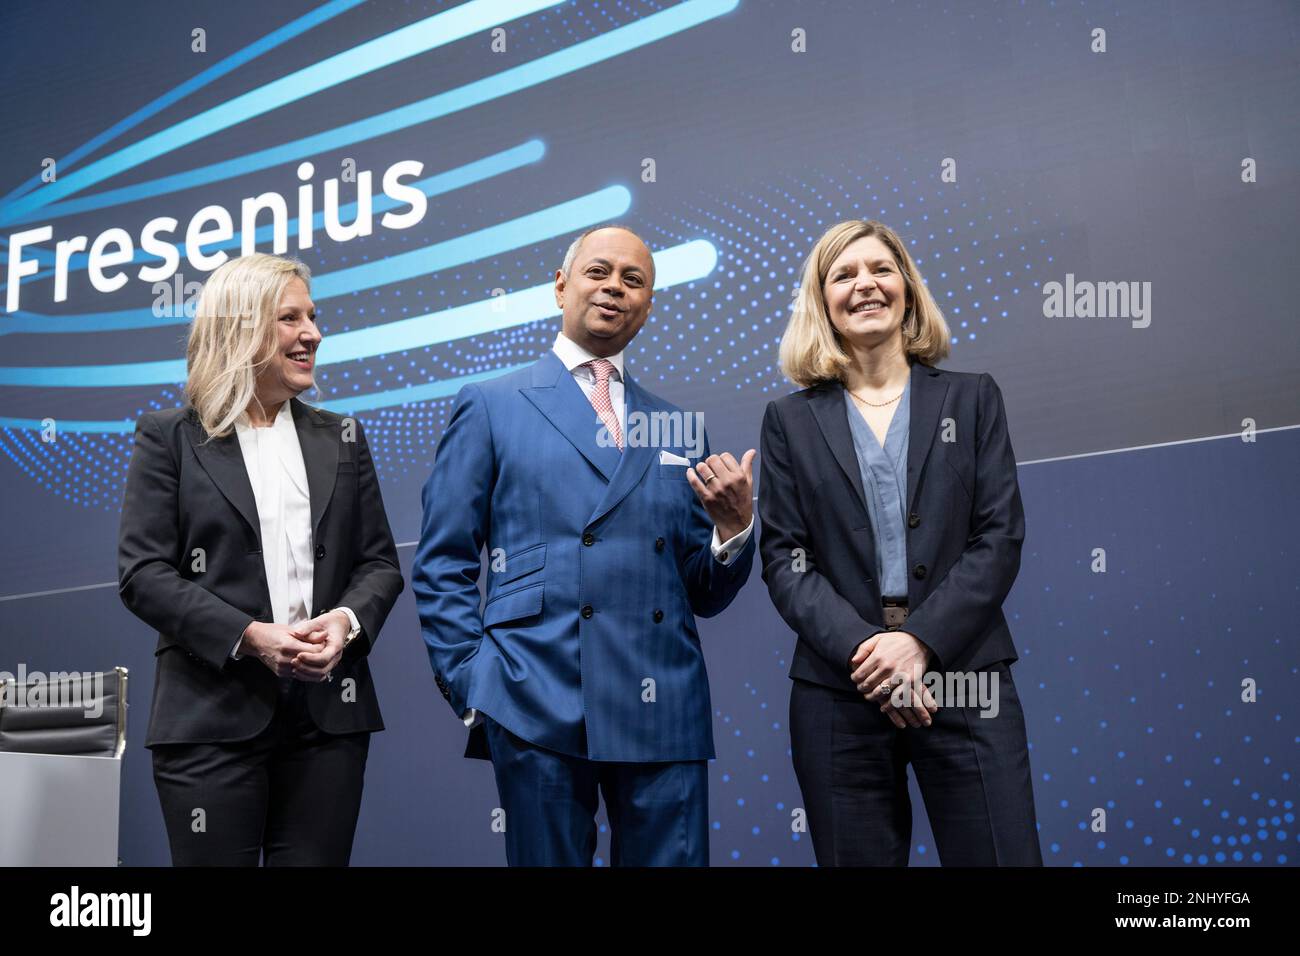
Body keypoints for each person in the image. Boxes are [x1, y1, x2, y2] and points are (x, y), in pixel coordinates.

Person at [414, 225, 756, 866]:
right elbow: (442, 562)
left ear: (648, 307)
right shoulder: (491, 404)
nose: (614, 289)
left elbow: (702, 590)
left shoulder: (677, 425)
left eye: (634, 281)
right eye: (600, 272)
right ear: (560, 286)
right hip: (535, 693)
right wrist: (475, 686)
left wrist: (733, 531)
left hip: (664, 699)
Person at [758, 219, 1041, 866]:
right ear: (822, 300)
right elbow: (784, 560)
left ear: (908, 290)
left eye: (881, 270)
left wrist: (917, 643)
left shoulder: (971, 400)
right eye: (844, 275)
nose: (865, 285)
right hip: (840, 689)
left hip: (963, 677)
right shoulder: (788, 422)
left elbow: (998, 537)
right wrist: (870, 654)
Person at [117, 253, 403, 865]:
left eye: (314, 318)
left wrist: (346, 623)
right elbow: (144, 574)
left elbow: (378, 563)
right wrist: (247, 636)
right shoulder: (168, 436)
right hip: (209, 719)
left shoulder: (342, 436)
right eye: (290, 319)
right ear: (240, 327)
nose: (313, 334)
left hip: (328, 720)